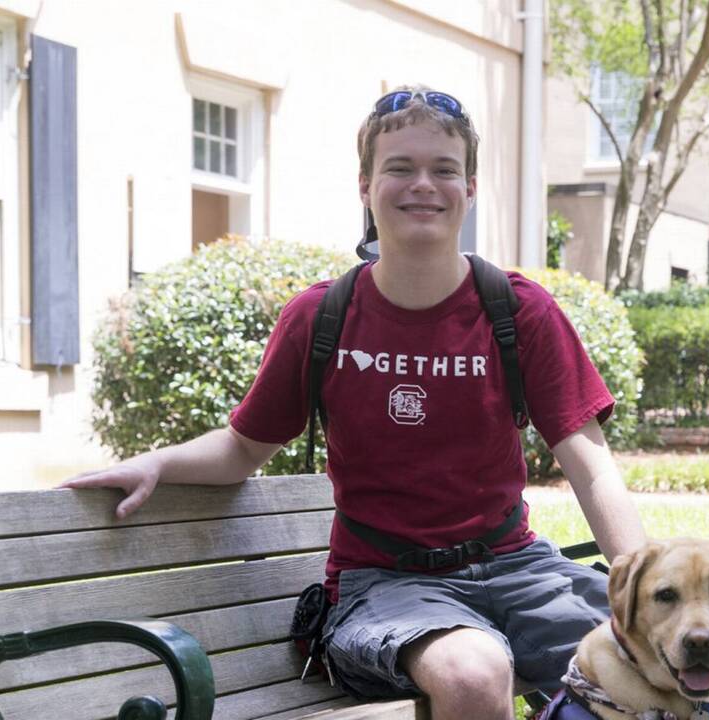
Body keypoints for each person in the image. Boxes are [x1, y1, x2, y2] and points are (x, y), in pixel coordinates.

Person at [62, 86, 647, 720]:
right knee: (475, 672)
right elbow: (244, 447)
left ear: (469, 188)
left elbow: (591, 464)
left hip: (515, 566)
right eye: (400, 167)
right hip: (385, 585)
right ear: (365, 184)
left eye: (443, 169)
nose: (422, 184)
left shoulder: (518, 310)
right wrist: (159, 462)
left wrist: (643, 588)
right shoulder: (322, 317)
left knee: (657, 652)